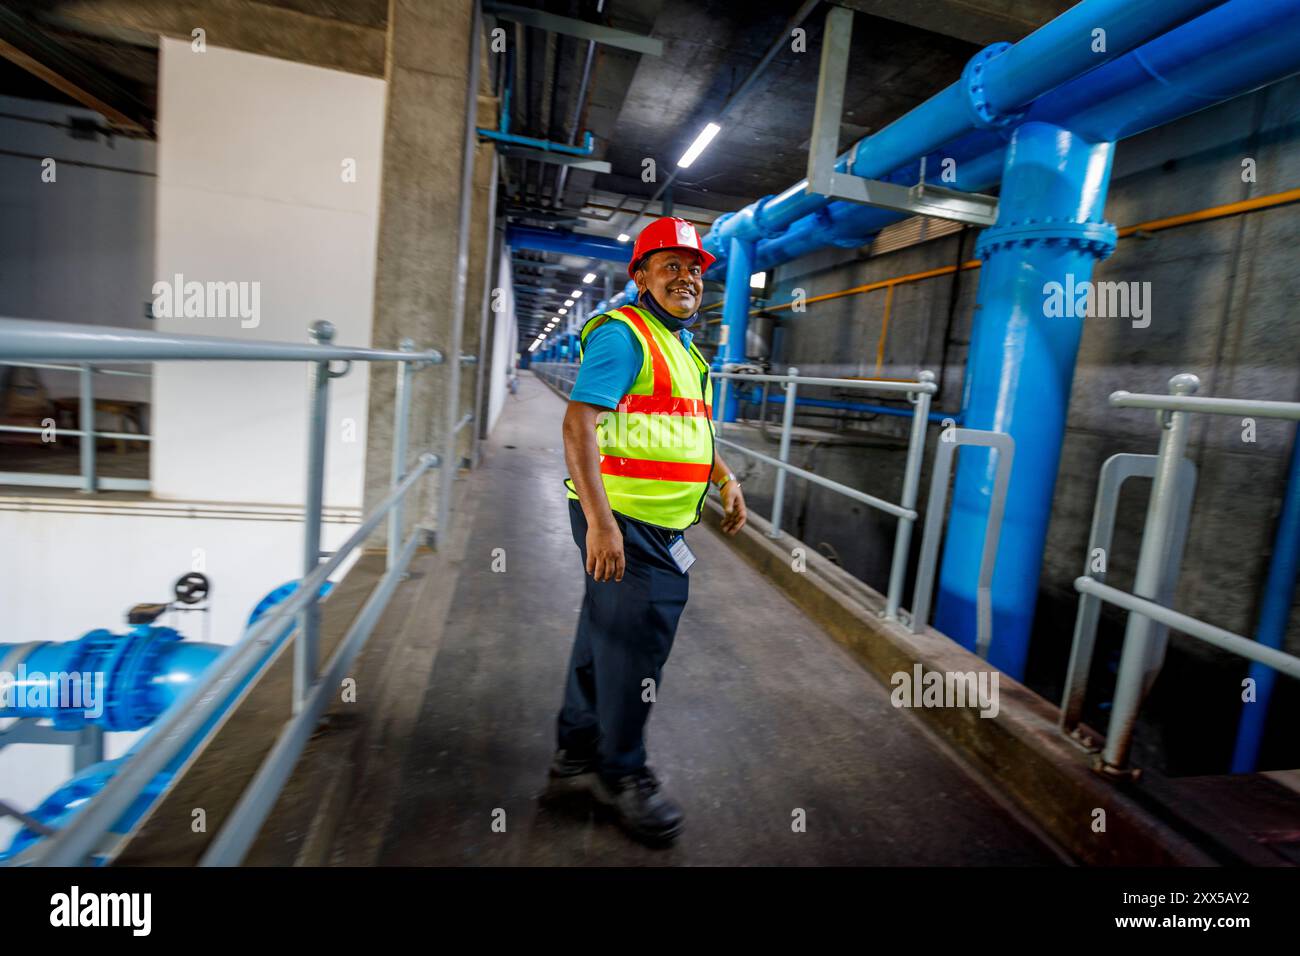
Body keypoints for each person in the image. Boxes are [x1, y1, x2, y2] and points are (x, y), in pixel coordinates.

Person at [546, 216, 747, 846]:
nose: (686, 276)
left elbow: (684, 425)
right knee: (637, 649)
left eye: (694, 268)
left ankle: (576, 752)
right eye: (670, 265)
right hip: (628, 524)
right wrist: (602, 525)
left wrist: (723, 475)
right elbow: (578, 426)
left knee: (602, 632)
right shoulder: (625, 336)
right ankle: (621, 772)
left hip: (648, 521)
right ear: (641, 275)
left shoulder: (683, 347)